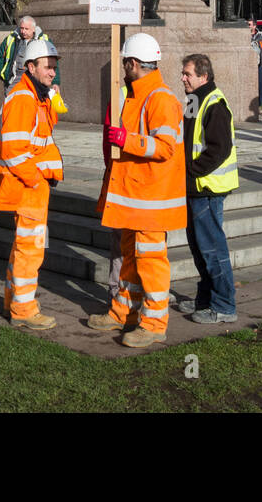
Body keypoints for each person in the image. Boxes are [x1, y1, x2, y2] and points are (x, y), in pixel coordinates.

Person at [88, 32, 184, 348]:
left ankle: (154, 323)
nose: (123, 69)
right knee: (130, 260)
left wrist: (126, 140)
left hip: (150, 202)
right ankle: (123, 312)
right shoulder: (138, 94)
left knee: (151, 262)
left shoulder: (159, 98)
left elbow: (165, 147)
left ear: (132, 63)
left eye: (124, 64)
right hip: (135, 199)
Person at [0, 38, 64, 330]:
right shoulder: (23, 97)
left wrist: (53, 100)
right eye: (48, 67)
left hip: (29, 186)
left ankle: (14, 301)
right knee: (30, 249)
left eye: (54, 68)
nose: (52, 73)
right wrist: (35, 180)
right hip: (27, 187)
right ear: (30, 67)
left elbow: (40, 133)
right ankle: (23, 310)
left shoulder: (35, 95)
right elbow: (13, 150)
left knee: (23, 248)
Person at [175, 53, 238, 323]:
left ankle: (224, 306)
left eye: (188, 74)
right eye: (183, 73)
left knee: (212, 249)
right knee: (201, 249)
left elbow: (219, 150)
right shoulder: (195, 100)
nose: (183, 78)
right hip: (196, 188)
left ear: (204, 76)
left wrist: (189, 171)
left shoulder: (214, 103)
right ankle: (205, 299)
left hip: (208, 189)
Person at [250, 21, 262, 118]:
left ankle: (259, 105)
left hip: (258, 65)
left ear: (254, 26)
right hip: (248, 65)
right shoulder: (244, 36)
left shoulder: (260, 36)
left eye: (249, 25)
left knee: (261, 84)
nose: (248, 27)